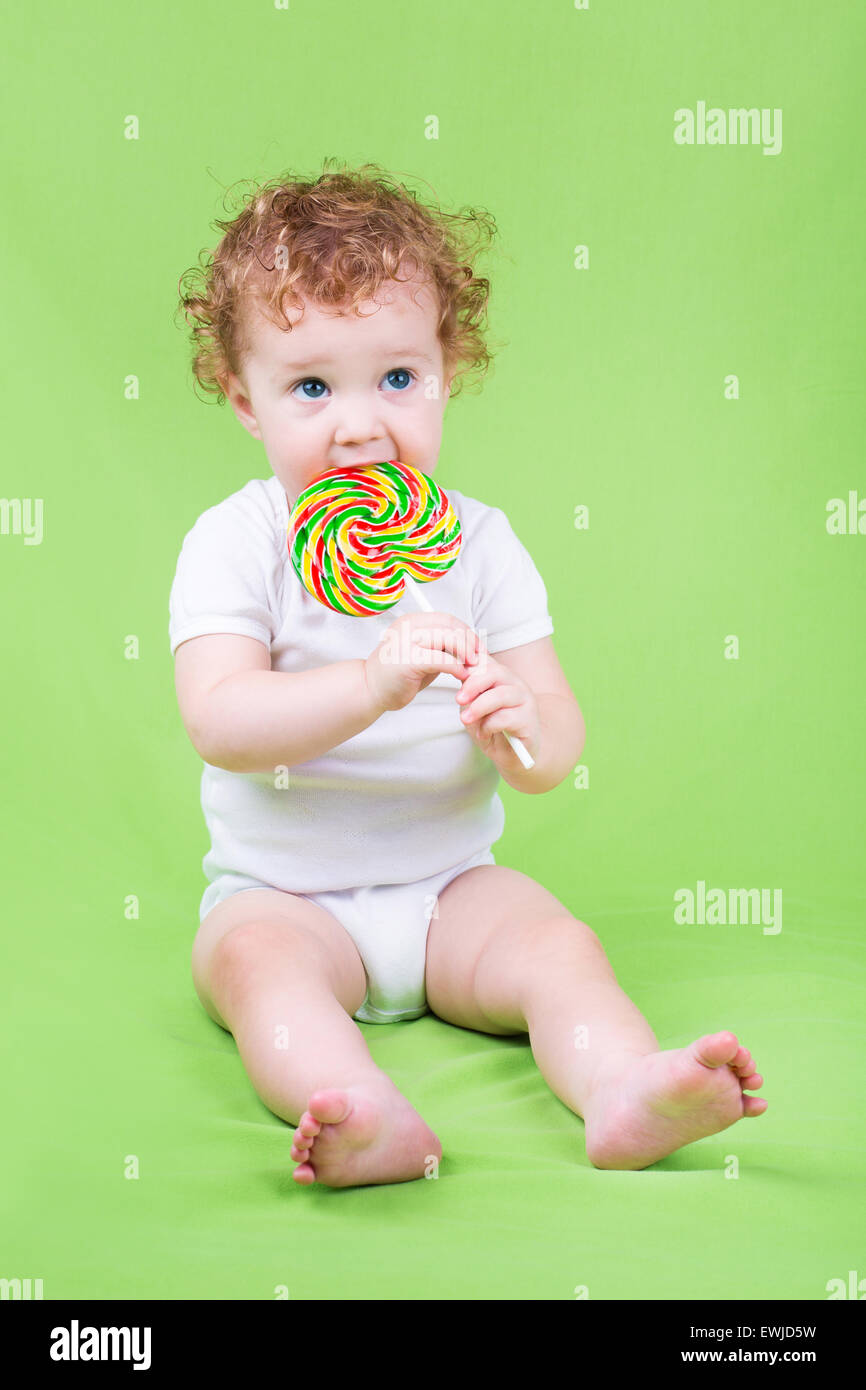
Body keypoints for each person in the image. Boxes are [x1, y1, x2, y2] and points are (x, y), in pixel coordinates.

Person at [169, 159, 767, 1188]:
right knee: (261, 976)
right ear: (244, 400)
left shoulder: (478, 546)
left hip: (452, 890)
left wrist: (516, 725)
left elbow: (556, 740)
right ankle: (363, 1113)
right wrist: (369, 683)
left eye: (396, 378)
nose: (359, 424)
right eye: (311, 386)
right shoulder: (236, 543)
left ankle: (622, 1087)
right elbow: (219, 717)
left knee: (560, 946)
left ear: (446, 369)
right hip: (281, 893)